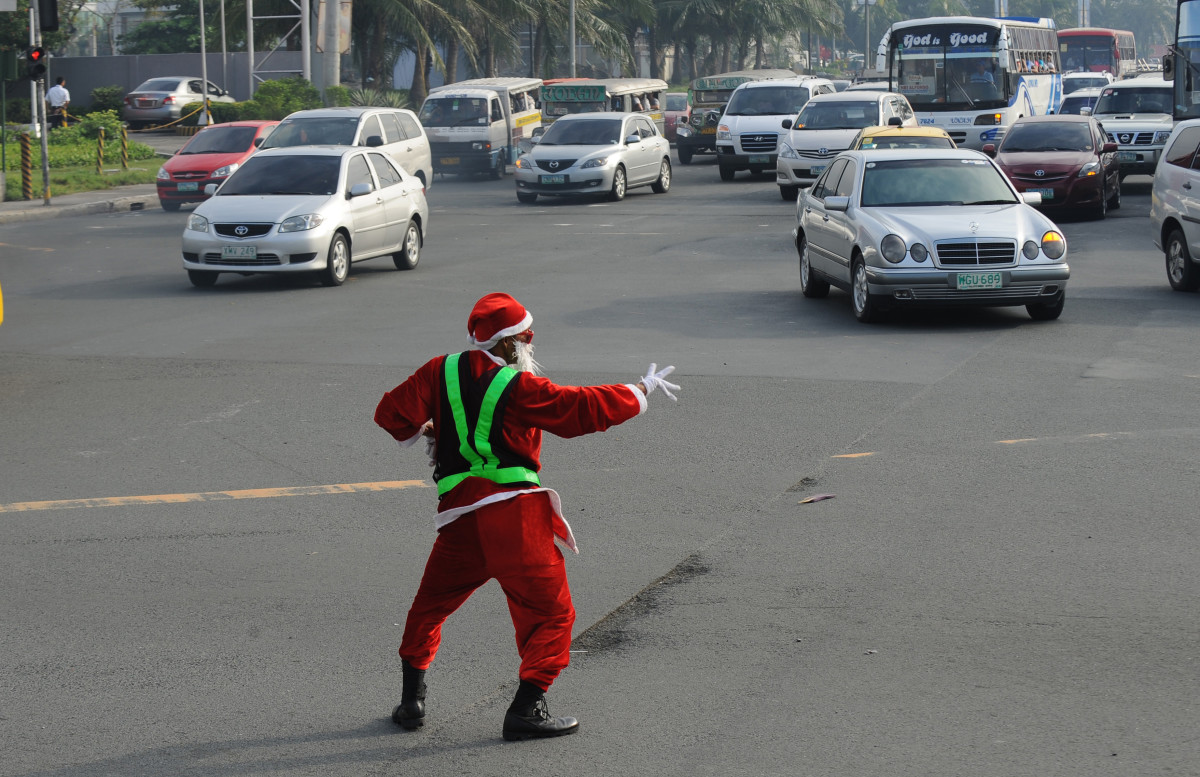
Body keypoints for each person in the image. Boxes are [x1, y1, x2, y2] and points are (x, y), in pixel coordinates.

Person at [374, 293, 680, 741]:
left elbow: (390, 414)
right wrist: (640, 390)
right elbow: (578, 408)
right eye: (526, 338)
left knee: (429, 609)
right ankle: (526, 709)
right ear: (510, 343)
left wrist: (428, 428)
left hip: (459, 519)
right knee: (551, 614)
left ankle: (410, 702)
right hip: (514, 520)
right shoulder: (516, 386)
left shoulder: (438, 370)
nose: (529, 344)